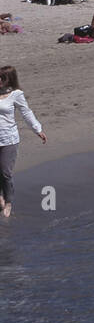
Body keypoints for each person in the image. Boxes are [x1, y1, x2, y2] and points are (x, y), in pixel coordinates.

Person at [0, 65, 46, 218]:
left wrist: (37, 129)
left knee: (5, 172)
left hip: (9, 139)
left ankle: (8, 201)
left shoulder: (16, 94)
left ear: (10, 79)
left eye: (2, 78)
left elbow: (26, 112)